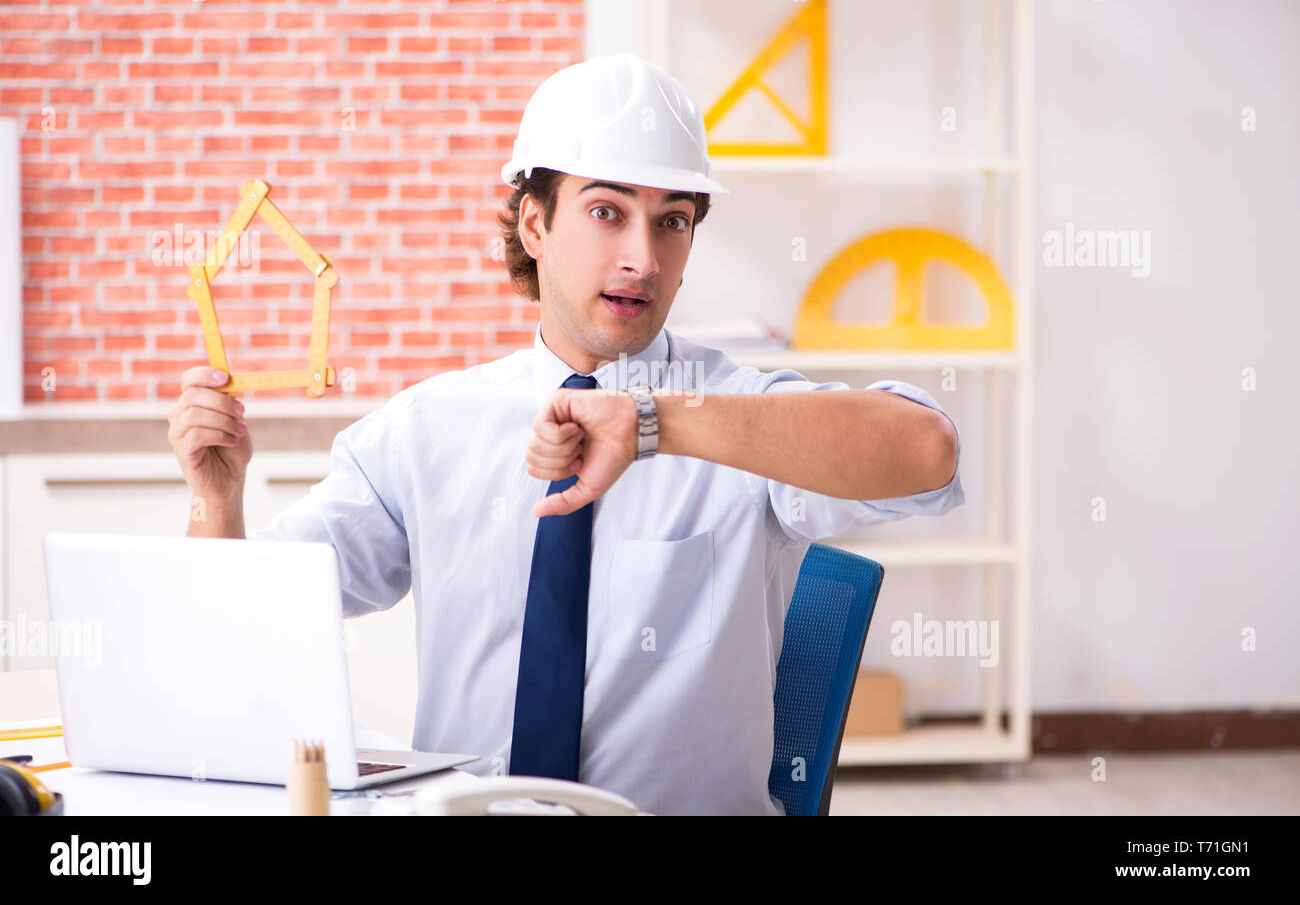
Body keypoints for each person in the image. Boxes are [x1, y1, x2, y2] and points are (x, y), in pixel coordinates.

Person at [167, 53, 965, 815]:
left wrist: (655, 422)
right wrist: (215, 500)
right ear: (535, 223)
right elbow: (242, 622)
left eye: (673, 222)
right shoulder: (429, 430)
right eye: (607, 211)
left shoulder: (738, 413)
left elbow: (927, 451)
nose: (642, 258)